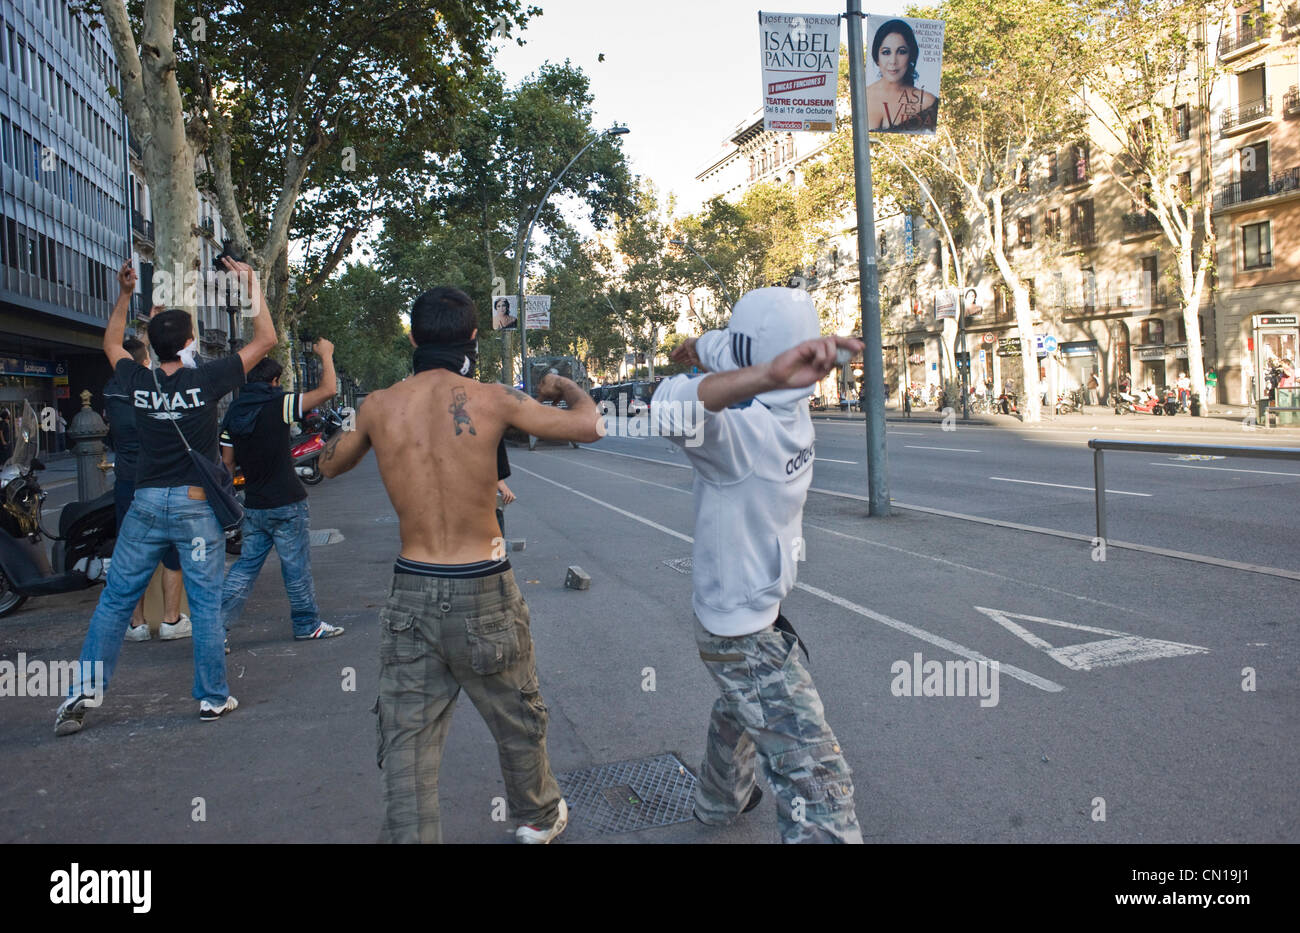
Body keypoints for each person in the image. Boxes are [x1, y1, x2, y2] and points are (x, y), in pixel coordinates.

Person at [319, 285, 601, 844]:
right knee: (518, 716)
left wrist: (350, 418)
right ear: (472, 337)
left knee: (407, 741)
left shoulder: (378, 405)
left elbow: (329, 465)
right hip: (483, 585)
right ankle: (538, 818)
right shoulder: (495, 399)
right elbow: (589, 424)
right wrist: (565, 384)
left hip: (412, 587)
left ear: (412, 337)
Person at [663, 288, 865, 844]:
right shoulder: (737, 433)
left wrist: (695, 347)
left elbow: (714, 347)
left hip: (751, 610)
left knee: (740, 705)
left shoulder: (756, 365)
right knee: (820, 783)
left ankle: (716, 799)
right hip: (742, 630)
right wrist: (769, 376)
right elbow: (668, 407)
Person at [55, 256, 277, 735]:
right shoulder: (207, 378)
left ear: (150, 349)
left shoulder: (137, 380)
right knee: (206, 600)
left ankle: (80, 695)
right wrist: (251, 286)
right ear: (192, 344)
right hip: (197, 507)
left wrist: (123, 294)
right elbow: (267, 341)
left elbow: (111, 341)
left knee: (115, 602)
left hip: (146, 505)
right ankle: (213, 698)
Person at [218, 338, 343, 644]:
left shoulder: (233, 412)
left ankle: (215, 628)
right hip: (287, 500)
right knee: (295, 567)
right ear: (274, 381)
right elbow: (328, 390)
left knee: (245, 567)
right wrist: (326, 354)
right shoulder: (280, 403)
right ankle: (306, 625)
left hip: (255, 504)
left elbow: (227, 463)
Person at [103, 337, 189, 642]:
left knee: (130, 554)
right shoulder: (152, 386)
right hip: (159, 477)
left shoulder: (111, 392)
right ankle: (170, 620)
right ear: (143, 362)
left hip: (126, 480)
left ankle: (136, 624)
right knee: (172, 551)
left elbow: (109, 438)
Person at [866, 19, 938, 133]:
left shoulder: (927, 102)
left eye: (901, 51)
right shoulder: (861, 97)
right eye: (886, 52)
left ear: (911, 56)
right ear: (876, 57)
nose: (893, 61)